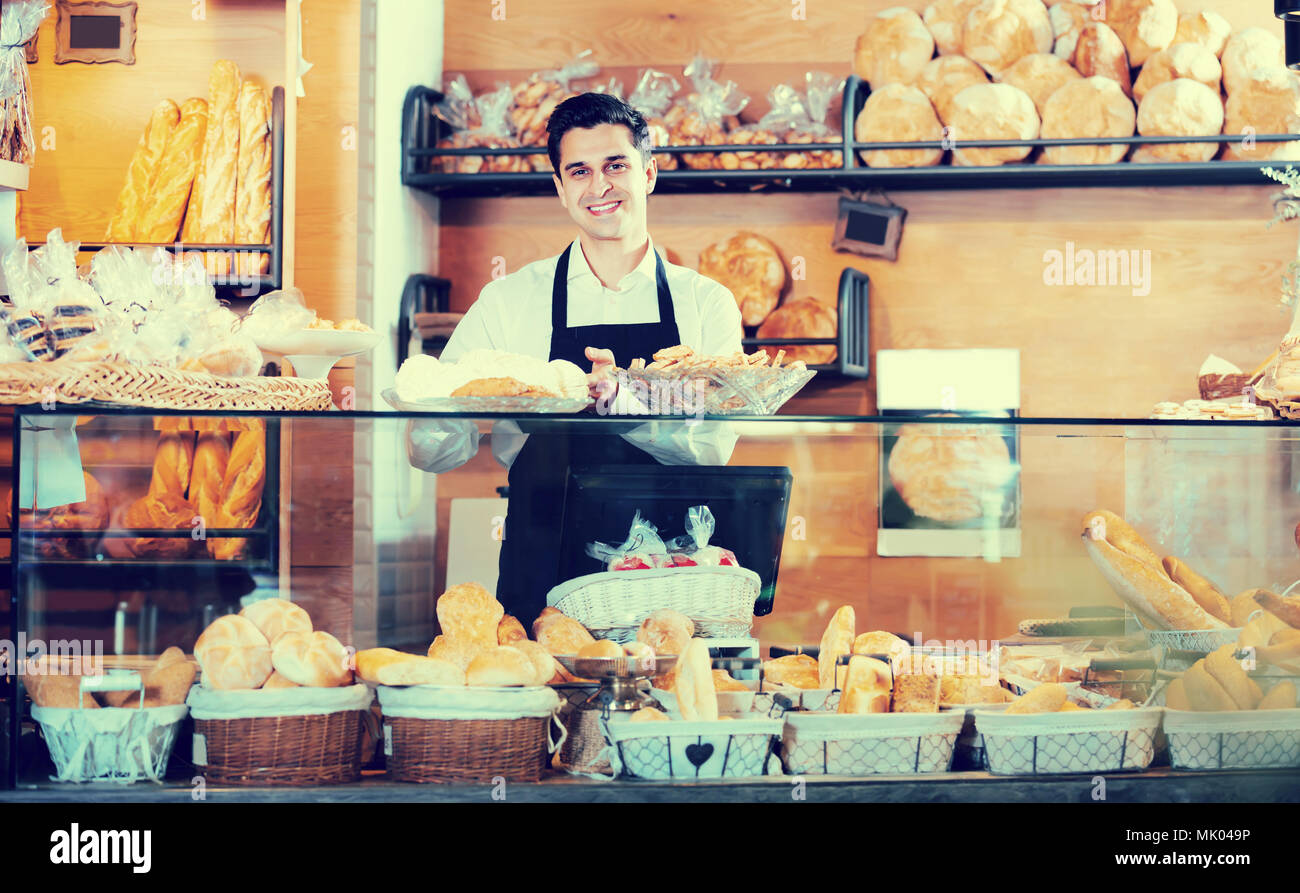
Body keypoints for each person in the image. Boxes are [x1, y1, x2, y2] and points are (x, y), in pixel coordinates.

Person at [408, 92, 743, 628]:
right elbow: (429, 453)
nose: (600, 186)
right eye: (580, 171)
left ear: (650, 173)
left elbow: (711, 449)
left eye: (616, 166)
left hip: (673, 564)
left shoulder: (707, 303)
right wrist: (446, 406)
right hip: (542, 556)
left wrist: (625, 403)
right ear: (561, 189)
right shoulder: (509, 301)